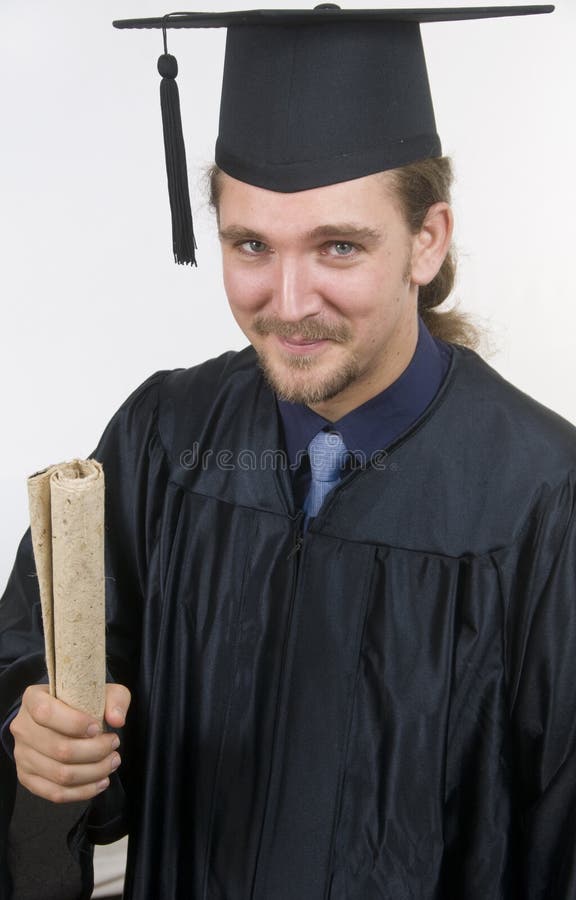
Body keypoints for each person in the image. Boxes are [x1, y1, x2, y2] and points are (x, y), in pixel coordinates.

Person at [2, 5, 576, 899]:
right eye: (251, 245)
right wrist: (42, 734)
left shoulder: (545, 501)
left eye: (339, 245)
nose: (289, 299)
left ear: (428, 240)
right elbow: (37, 657)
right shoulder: (164, 436)